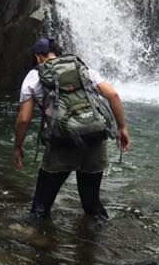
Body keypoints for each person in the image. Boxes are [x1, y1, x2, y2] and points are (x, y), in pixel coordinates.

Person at [13, 37, 131, 221]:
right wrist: (122, 128)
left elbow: (24, 119)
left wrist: (18, 147)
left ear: (38, 57)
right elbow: (113, 95)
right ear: (57, 53)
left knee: (41, 207)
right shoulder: (82, 68)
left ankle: (36, 242)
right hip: (94, 137)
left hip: (62, 143)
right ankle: (97, 245)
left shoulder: (34, 76)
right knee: (92, 206)